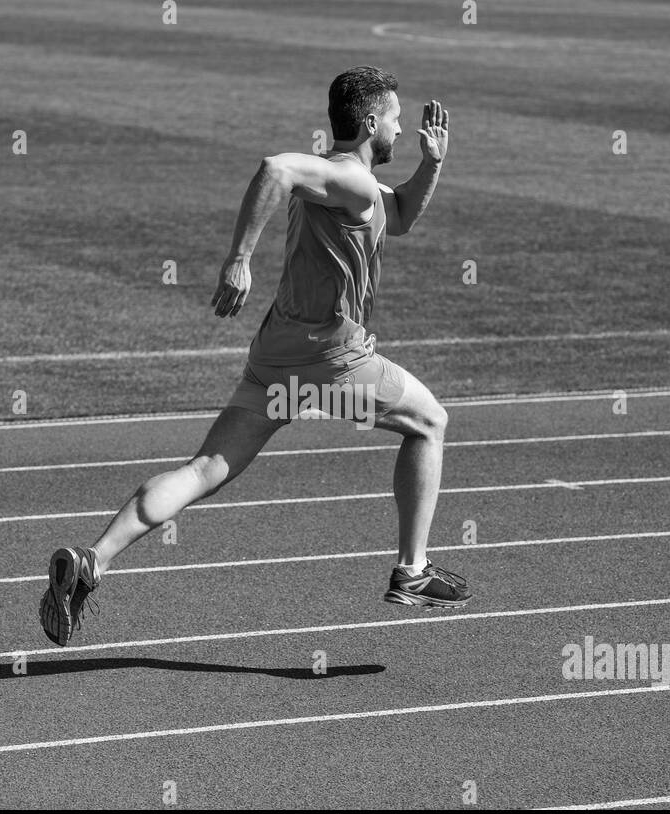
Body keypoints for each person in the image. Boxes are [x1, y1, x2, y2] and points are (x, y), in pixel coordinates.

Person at [40, 66, 471, 647]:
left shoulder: (351, 186)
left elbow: (399, 220)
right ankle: (412, 572)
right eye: (396, 118)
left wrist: (433, 163)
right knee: (430, 424)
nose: (401, 128)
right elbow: (276, 167)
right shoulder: (351, 180)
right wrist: (239, 257)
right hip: (333, 362)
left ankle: (95, 558)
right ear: (371, 122)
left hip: (276, 358)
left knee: (204, 470)